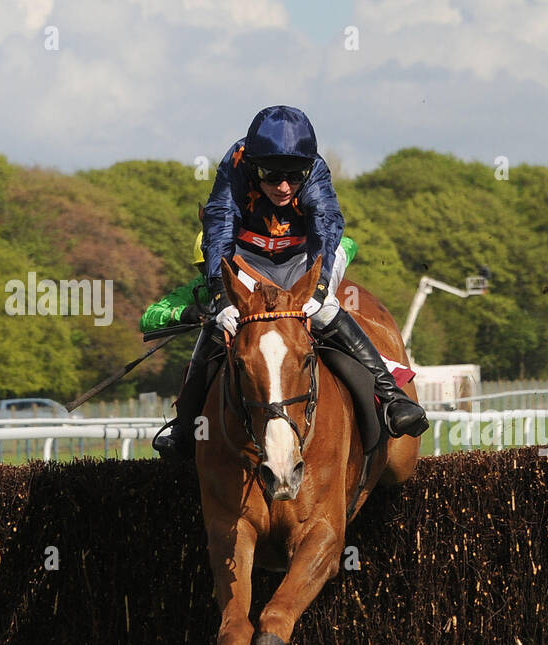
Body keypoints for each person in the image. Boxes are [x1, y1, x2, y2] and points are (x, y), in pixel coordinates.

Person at [153, 105, 427, 460]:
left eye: (294, 177)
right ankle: (184, 425)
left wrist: (320, 287)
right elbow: (219, 225)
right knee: (220, 323)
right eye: (270, 175)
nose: (283, 187)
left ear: (307, 168)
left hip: (303, 254)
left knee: (326, 310)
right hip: (248, 257)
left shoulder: (315, 169)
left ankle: (391, 398)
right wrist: (221, 296)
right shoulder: (236, 162)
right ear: (253, 164)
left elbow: (326, 226)